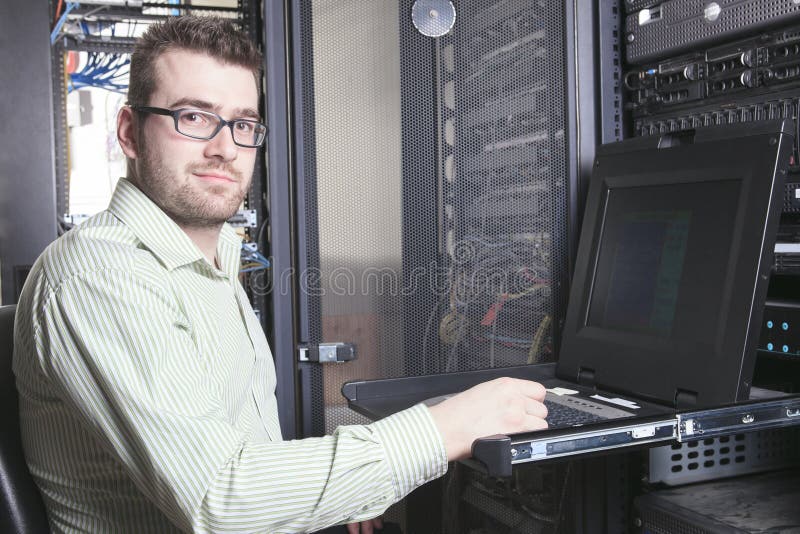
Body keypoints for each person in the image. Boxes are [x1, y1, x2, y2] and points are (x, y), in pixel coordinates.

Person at [13, 16, 548, 534]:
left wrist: (336, 491)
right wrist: (446, 428)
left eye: (242, 124)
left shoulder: (210, 262)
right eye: (193, 117)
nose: (224, 148)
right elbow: (219, 500)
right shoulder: (100, 277)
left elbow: (240, 454)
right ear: (129, 131)